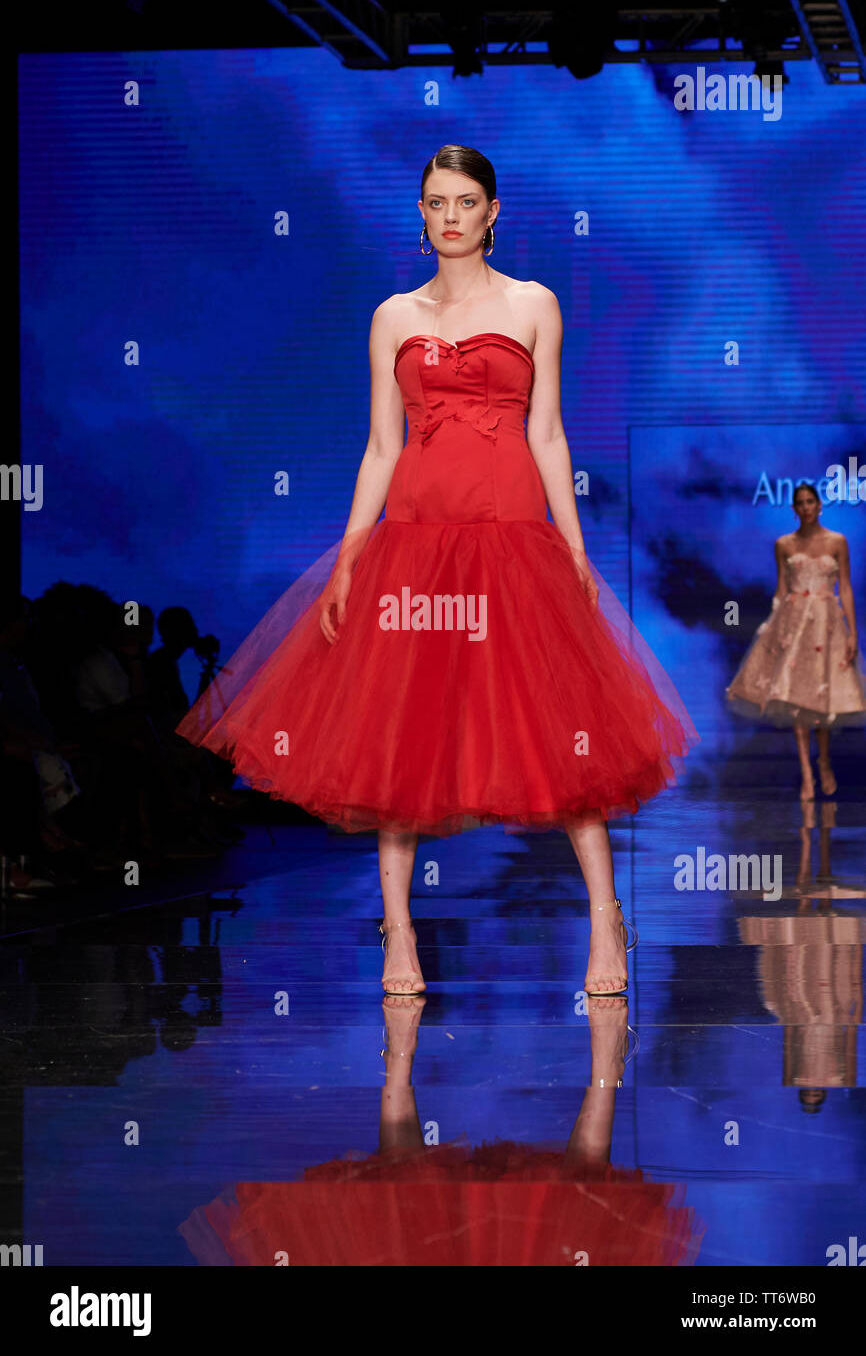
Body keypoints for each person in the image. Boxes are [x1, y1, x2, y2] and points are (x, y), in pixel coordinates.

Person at [176, 144, 697, 997]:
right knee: (400, 737)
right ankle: (399, 935)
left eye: (464, 201)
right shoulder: (391, 316)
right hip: (414, 540)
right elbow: (382, 446)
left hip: (513, 539)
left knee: (559, 724)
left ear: (495, 211)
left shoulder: (534, 305)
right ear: (421, 216)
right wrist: (349, 560)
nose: (449, 216)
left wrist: (572, 547)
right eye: (435, 202)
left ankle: (606, 919)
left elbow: (549, 433)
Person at [727, 481, 865, 799]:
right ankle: (806, 773)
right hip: (795, 624)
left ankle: (825, 762)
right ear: (794, 508)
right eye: (800, 502)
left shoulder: (837, 542)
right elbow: (781, 589)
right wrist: (773, 627)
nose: (805, 507)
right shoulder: (784, 545)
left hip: (827, 626)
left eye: (810, 501)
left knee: (822, 700)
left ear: (819, 505)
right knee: (797, 700)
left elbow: (844, 587)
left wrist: (854, 631)